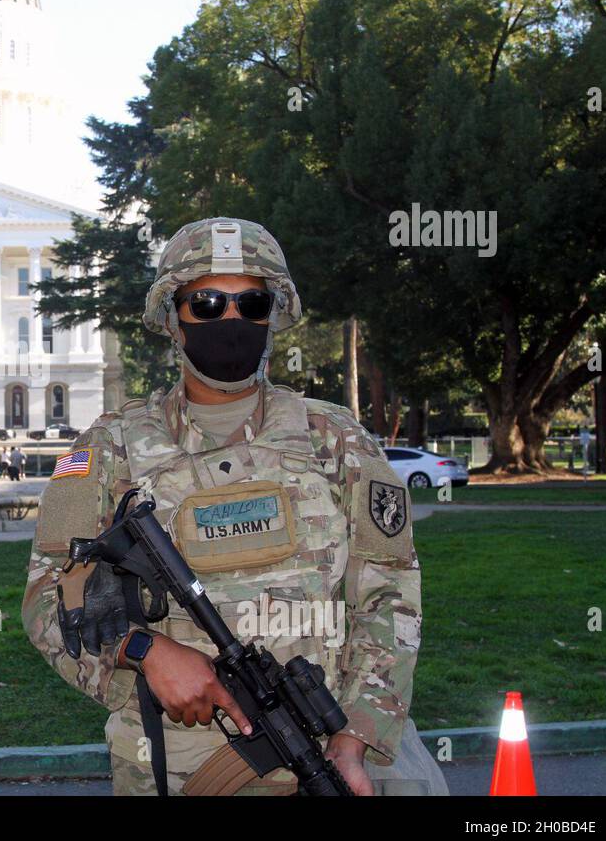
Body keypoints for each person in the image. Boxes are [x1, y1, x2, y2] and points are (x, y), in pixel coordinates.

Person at [23, 218, 444, 796]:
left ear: (274, 315)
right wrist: (142, 650)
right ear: (173, 318)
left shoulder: (336, 440)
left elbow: (391, 596)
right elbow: (49, 602)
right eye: (207, 303)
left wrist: (356, 738)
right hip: (177, 766)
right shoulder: (110, 449)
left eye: (252, 302)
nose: (231, 320)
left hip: (338, 753)